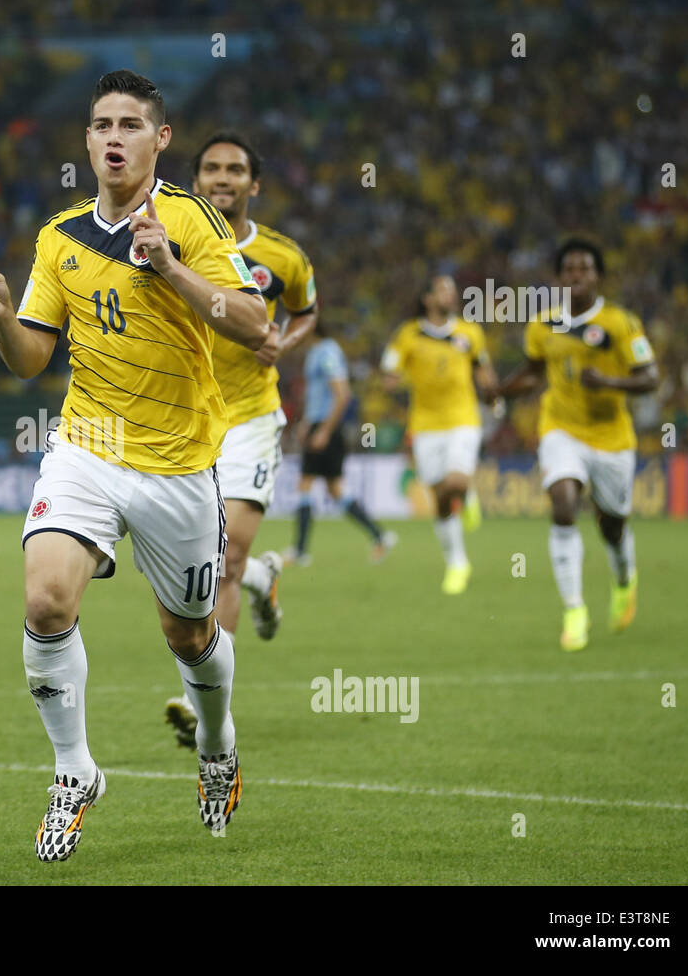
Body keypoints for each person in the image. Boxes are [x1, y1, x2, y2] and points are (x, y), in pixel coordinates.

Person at [0, 70, 269, 861]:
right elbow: (30, 360)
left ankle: (218, 740)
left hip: (179, 463)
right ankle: (73, 769)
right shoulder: (59, 238)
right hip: (85, 447)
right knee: (48, 599)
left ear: (161, 140)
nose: (114, 136)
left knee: (188, 635)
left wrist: (171, 268)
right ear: (86, 141)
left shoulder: (191, 222)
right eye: (101, 124)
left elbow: (254, 321)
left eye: (131, 124)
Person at [163, 130, 318, 750]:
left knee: (221, 561)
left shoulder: (282, 256)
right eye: (210, 169)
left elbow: (306, 311)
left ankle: (201, 706)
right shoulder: (169, 241)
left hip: (250, 420)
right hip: (183, 421)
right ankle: (262, 580)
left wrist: (287, 340)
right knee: (189, 566)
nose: (222, 178)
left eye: (235, 170)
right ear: (195, 180)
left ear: (254, 184)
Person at [499, 238, 658, 650]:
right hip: (560, 429)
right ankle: (574, 610)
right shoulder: (542, 324)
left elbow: (650, 377)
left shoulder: (622, 323)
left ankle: (625, 579)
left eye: (584, 269)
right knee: (564, 503)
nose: (576, 276)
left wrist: (610, 382)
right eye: (569, 269)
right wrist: (502, 391)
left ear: (597, 276)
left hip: (611, 439)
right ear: (558, 277)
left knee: (612, 525)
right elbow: (535, 372)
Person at [381, 274, 498, 593]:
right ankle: (457, 562)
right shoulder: (408, 335)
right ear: (427, 299)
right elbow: (389, 373)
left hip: (463, 418)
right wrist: (393, 379)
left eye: (452, 289)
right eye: (443, 290)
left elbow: (483, 369)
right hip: (425, 426)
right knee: (441, 499)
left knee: (456, 481)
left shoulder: (469, 332)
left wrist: (491, 388)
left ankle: (467, 492)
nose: (451, 294)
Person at [287, 322, 396, 565]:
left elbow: (342, 394)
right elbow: (318, 394)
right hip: (319, 424)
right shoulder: (316, 352)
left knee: (305, 485)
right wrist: (306, 422)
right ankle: (379, 535)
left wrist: (324, 430)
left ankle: (301, 551)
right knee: (336, 491)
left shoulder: (327, 351)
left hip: (327, 427)